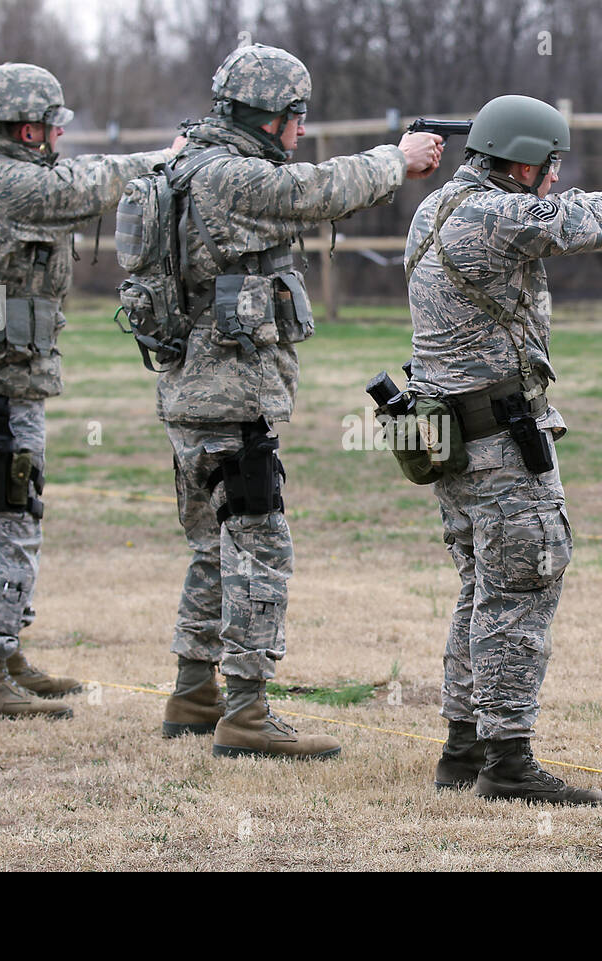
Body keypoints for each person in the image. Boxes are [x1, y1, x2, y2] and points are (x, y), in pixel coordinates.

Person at [156, 43, 442, 758]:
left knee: (212, 548)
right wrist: (395, 160)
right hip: (227, 400)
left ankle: (195, 693)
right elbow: (313, 192)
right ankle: (246, 714)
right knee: (258, 550)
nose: (301, 132)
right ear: (264, 118)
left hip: (191, 394)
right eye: (294, 117)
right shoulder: (228, 177)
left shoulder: (182, 164)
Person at [403, 95, 602, 803]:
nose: (556, 180)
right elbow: (592, 220)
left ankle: (462, 746)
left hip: (454, 437)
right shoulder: (494, 214)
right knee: (521, 589)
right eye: (551, 166)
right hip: (500, 442)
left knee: (481, 587)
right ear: (523, 162)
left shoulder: (436, 209)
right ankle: (507, 760)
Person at [0, 62, 184, 719]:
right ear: (25, 126)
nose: (54, 139)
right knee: (10, 513)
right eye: (48, 127)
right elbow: (89, 183)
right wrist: (169, 157)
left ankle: (6, 654)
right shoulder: (2, 178)